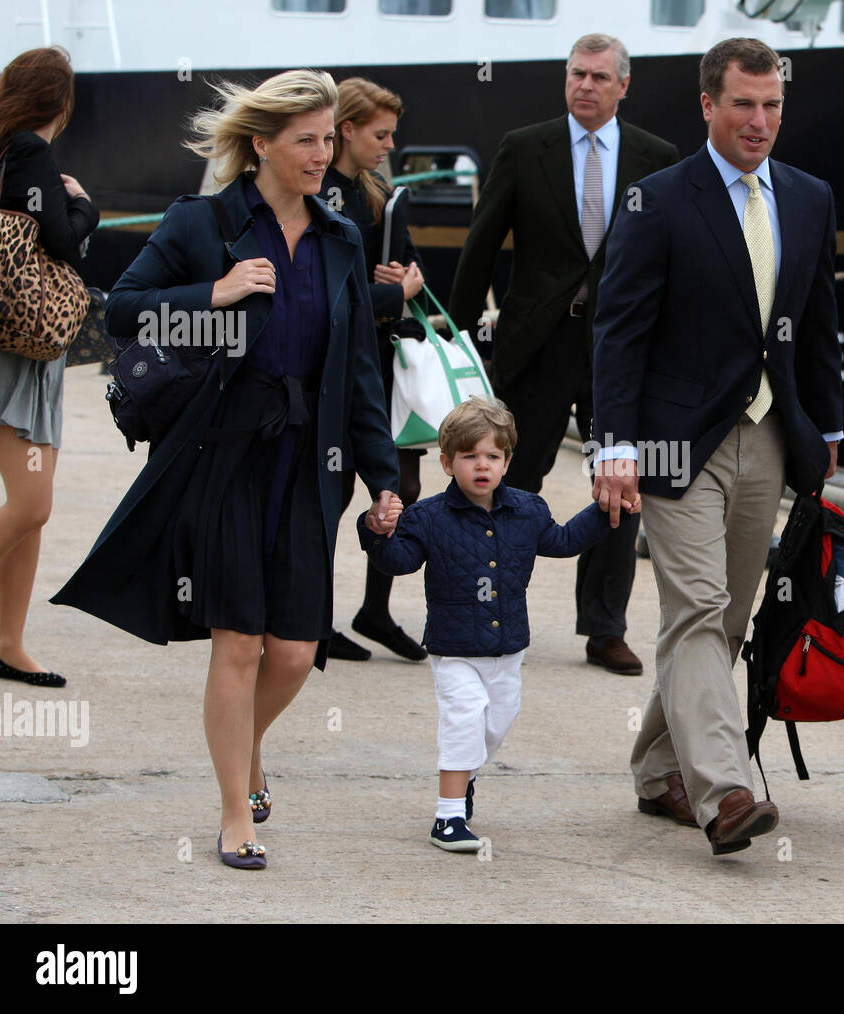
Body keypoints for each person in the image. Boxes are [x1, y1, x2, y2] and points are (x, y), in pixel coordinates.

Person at [52, 70, 400, 870]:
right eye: (306, 140)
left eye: (327, 139)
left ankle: (246, 753)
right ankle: (232, 811)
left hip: (312, 463)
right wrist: (215, 290)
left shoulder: (341, 238)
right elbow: (119, 310)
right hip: (226, 458)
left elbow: (357, 373)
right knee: (239, 643)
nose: (322, 155)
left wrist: (385, 477)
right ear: (261, 145)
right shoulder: (202, 223)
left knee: (294, 652)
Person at [591, 38, 843, 856]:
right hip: (672, 443)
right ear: (708, 105)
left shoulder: (809, 198)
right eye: (743, 104)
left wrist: (826, 428)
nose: (759, 121)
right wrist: (612, 445)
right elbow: (620, 332)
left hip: (769, 435)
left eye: (772, 106)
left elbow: (819, 326)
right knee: (695, 608)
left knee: (727, 617)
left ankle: (656, 767)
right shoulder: (657, 200)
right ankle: (725, 789)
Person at [448, 33, 678, 677]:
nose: (586, 85)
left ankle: (604, 630)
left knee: (619, 486)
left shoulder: (655, 157)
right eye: (577, 74)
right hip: (536, 344)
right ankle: (488, 609)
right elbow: (482, 242)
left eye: (600, 77)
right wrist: (458, 335)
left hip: (621, 351)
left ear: (623, 86)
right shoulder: (525, 147)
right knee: (507, 481)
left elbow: (673, 256)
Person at [358, 397, 633, 851]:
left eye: (492, 456)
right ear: (446, 463)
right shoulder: (427, 518)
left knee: (494, 727)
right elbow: (397, 562)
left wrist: (609, 511)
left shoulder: (528, 510)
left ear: (507, 462)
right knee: (464, 719)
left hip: (509, 649)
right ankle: (447, 818)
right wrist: (376, 531)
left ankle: (463, 777)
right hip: (454, 649)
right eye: (469, 456)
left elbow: (563, 542)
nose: (481, 465)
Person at [0, 46, 97, 690]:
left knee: (28, 507)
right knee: (31, 504)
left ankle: (9, 643)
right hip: (15, 348)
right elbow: (63, 239)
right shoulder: (29, 151)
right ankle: (7, 640)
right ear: (61, 102)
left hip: (17, 341)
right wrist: (86, 206)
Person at [320, 76, 427, 663]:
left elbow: (408, 265)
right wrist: (389, 294)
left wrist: (406, 281)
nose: (389, 144)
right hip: (340, 366)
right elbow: (326, 292)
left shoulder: (377, 193)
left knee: (401, 486)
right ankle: (314, 616)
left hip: (384, 363)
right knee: (332, 494)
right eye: (380, 134)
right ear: (348, 129)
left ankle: (374, 608)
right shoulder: (320, 194)